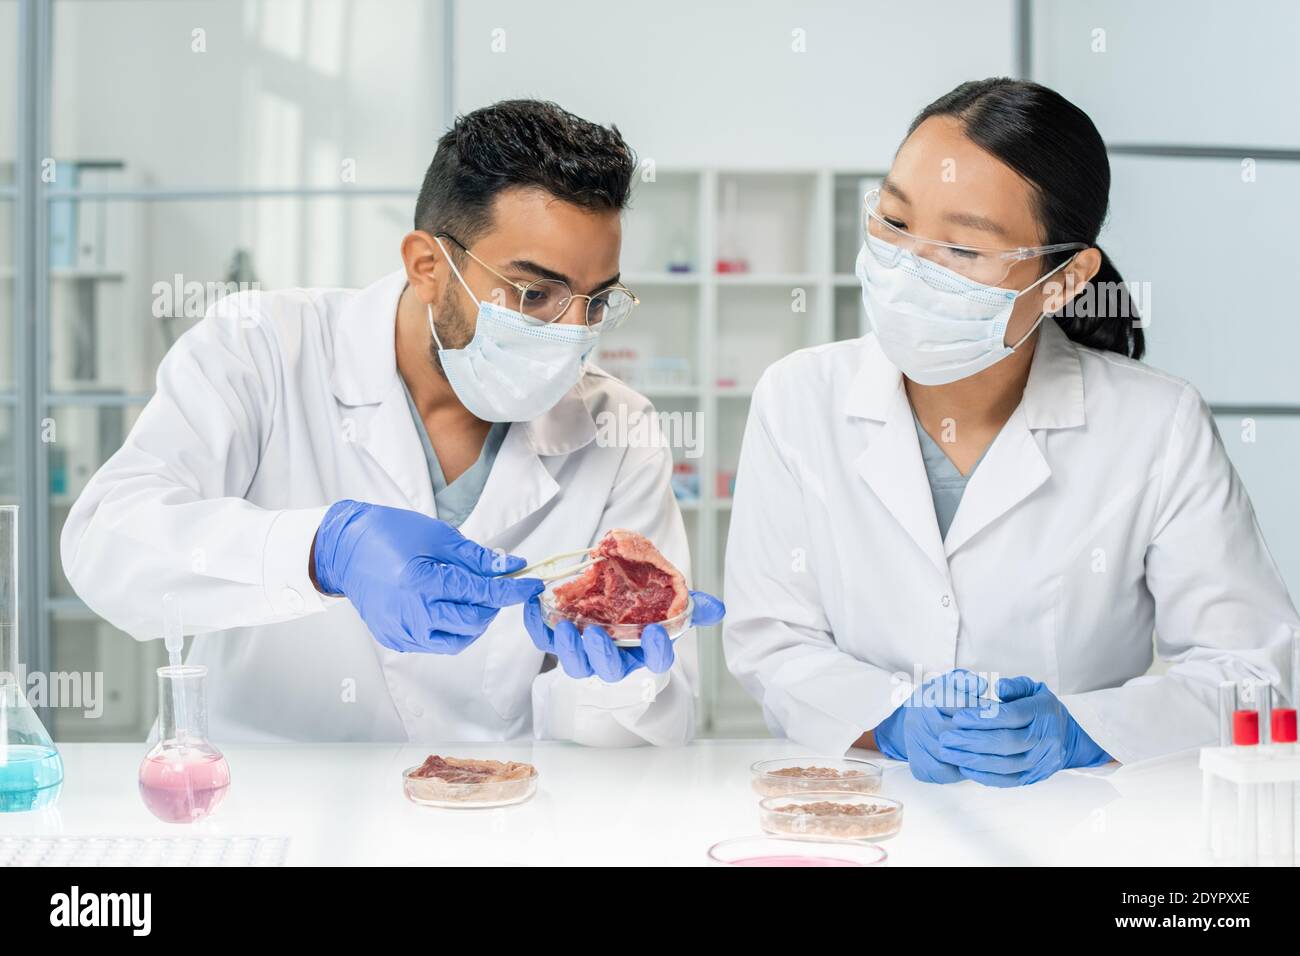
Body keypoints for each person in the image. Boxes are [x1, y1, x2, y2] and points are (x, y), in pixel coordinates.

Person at [62, 99, 723, 746]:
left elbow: (641, 738)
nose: (573, 332)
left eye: (597, 300)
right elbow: (105, 546)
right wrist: (324, 550)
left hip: (492, 814)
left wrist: (618, 683)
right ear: (428, 267)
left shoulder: (618, 428)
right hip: (265, 803)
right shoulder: (261, 347)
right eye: (533, 294)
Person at [723, 78, 1298, 785]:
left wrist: (1083, 732)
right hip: (863, 810)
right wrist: (892, 717)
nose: (910, 269)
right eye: (896, 223)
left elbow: (1248, 670)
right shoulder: (798, 398)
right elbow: (770, 640)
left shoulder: (1157, 426)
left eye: (964, 250)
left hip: (1075, 823)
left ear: (1064, 278)